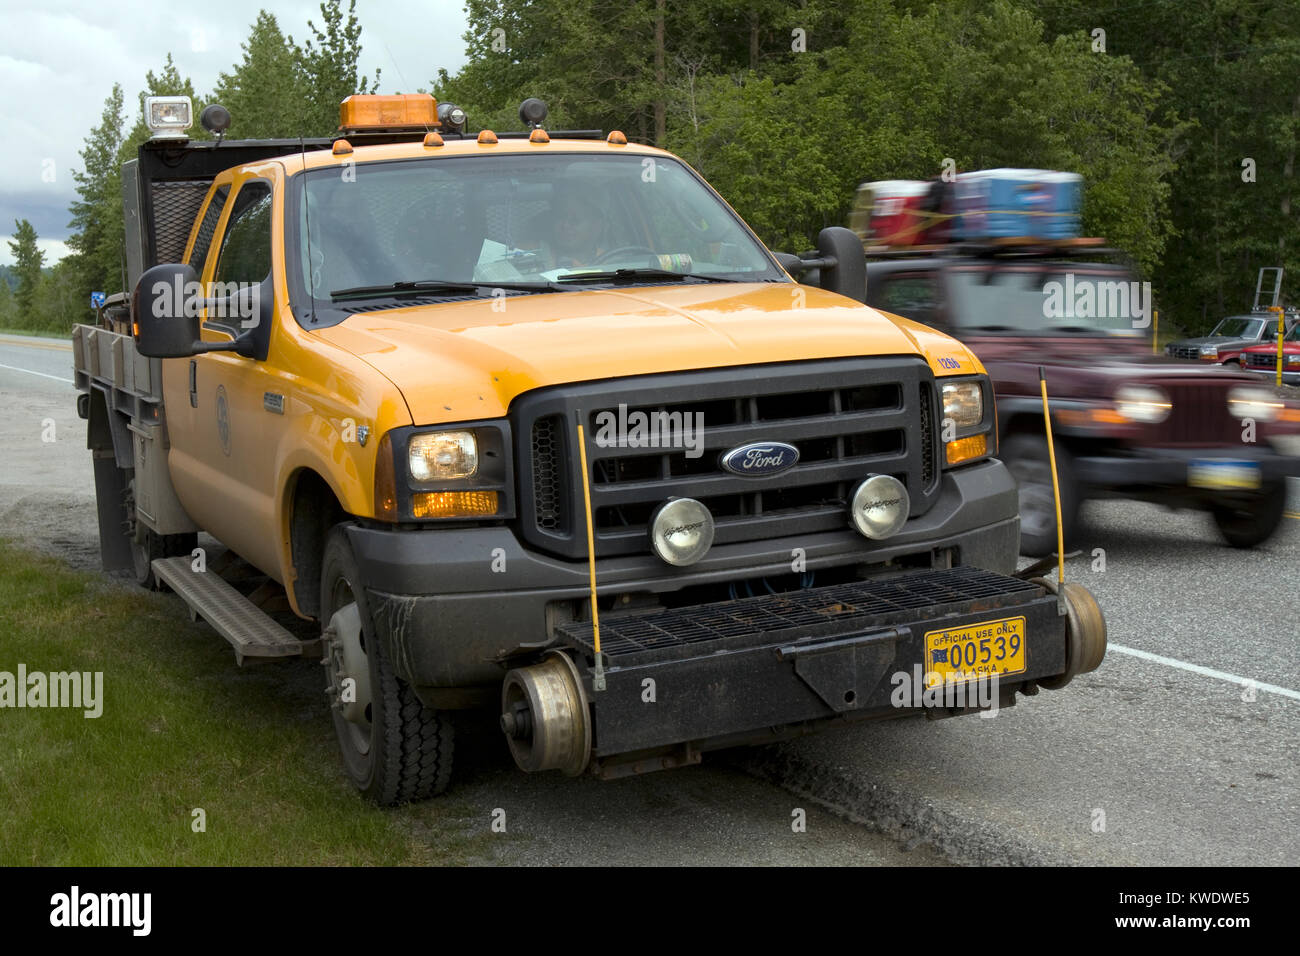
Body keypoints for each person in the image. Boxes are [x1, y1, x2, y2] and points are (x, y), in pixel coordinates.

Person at [545, 189, 609, 269]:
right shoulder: (533, 256)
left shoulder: (611, 261)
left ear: (596, 226)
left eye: (575, 220)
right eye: (561, 217)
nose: (565, 225)